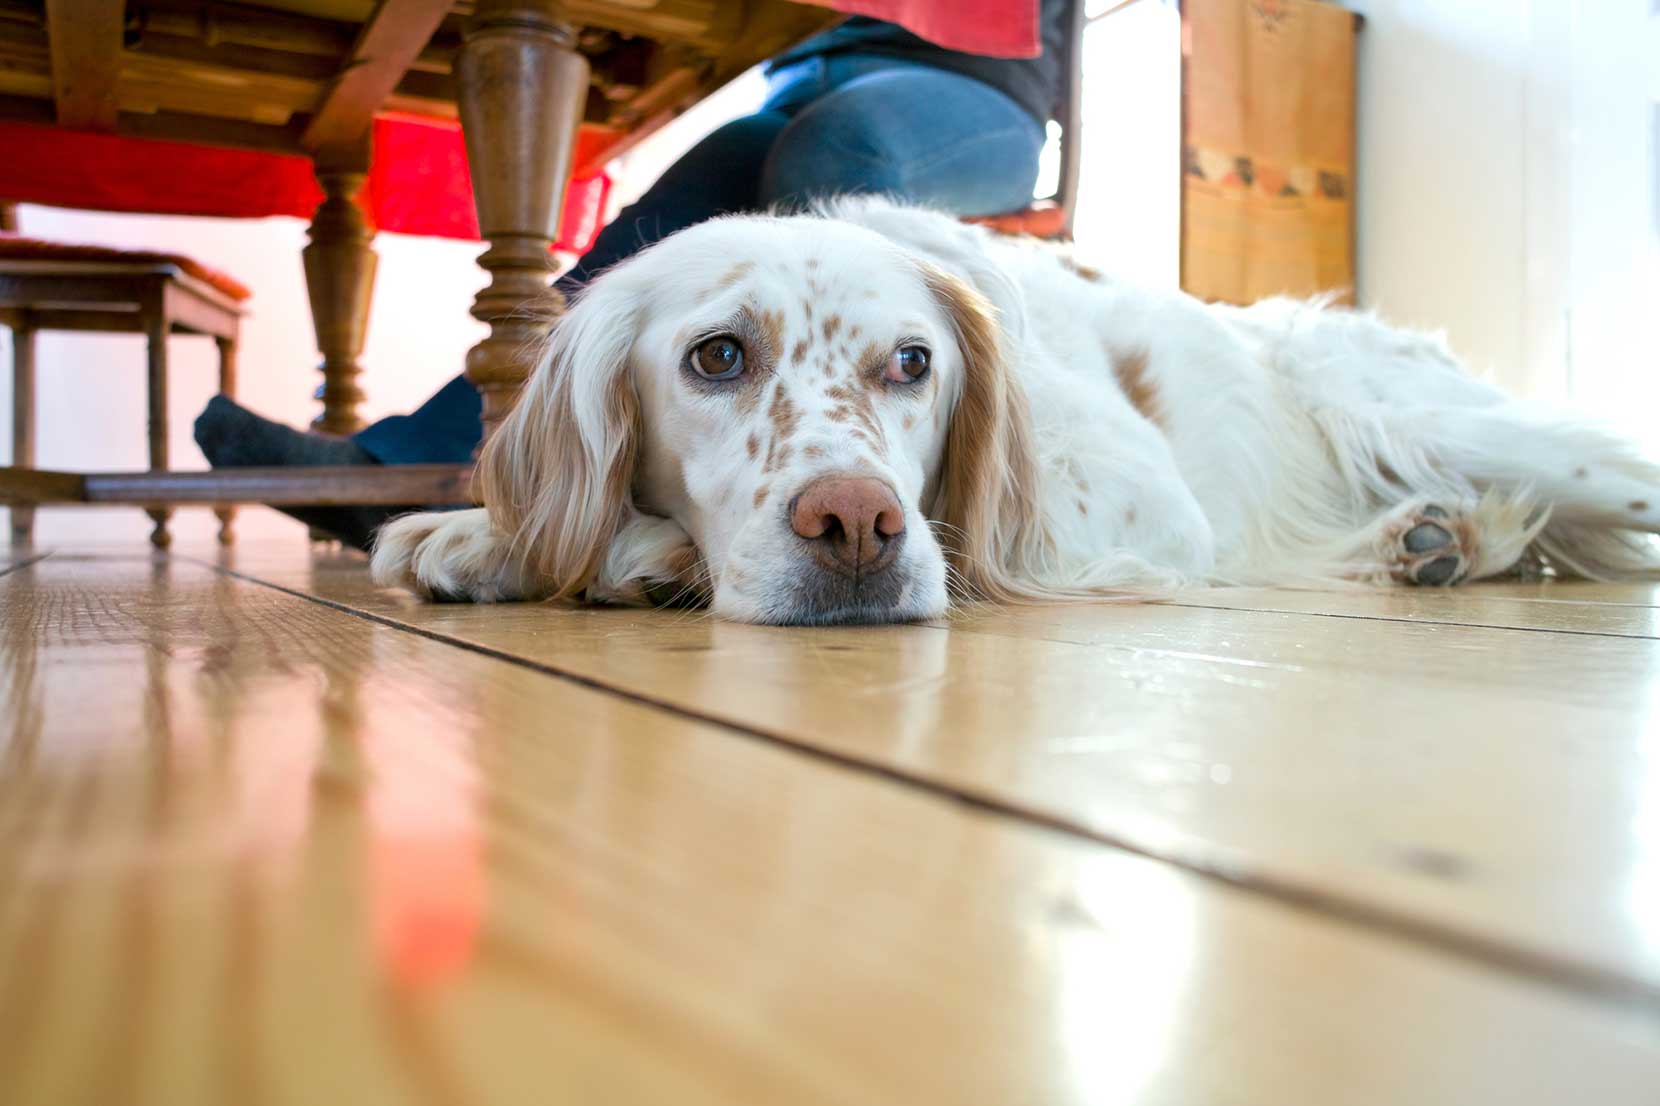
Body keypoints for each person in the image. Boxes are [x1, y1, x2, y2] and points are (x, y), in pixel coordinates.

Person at [193, 3, 1072, 548]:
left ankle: (801, 510)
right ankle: (424, 465)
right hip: (805, 87)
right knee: (677, 210)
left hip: (975, 92)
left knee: (836, 151)